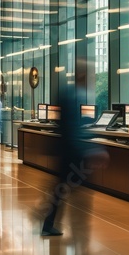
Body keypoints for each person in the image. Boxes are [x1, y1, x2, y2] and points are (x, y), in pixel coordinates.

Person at [40, 60, 108, 236]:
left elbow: (69, 125)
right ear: (83, 75)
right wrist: (90, 149)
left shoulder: (68, 92)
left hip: (66, 151)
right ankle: (78, 235)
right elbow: (71, 128)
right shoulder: (74, 95)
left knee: (62, 190)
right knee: (77, 195)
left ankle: (48, 223)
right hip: (73, 154)